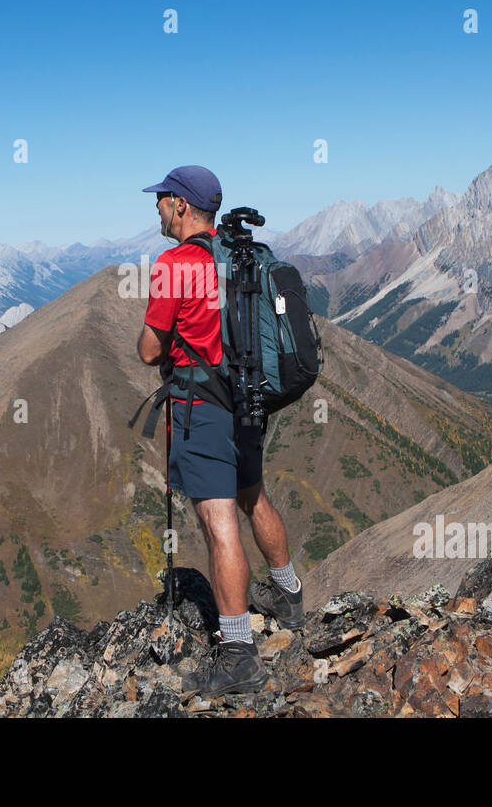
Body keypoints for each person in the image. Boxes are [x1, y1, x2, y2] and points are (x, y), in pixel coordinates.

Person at [135, 164, 304, 697]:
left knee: (218, 524)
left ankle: (237, 656)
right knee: (253, 496)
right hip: (247, 398)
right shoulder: (241, 255)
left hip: (200, 407)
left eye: (162, 199)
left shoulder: (174, 264)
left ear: (182, 206)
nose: (157, 207)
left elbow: (148, 349)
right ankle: (289, 594)